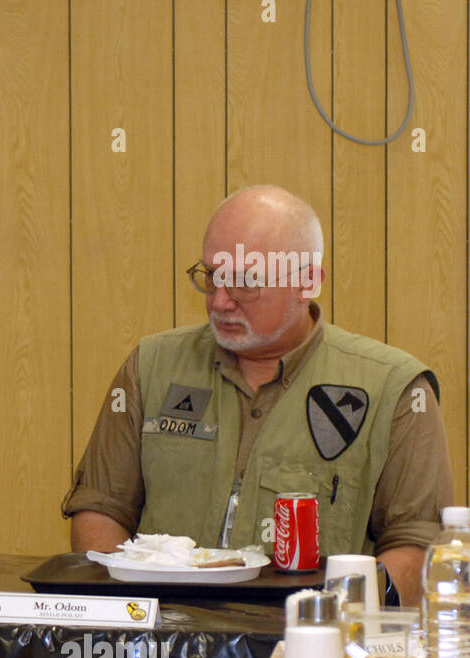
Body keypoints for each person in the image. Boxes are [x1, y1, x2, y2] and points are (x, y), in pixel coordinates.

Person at [62, 185, 453, 604]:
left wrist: (321, 627)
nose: (221, 301)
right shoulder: (152, 367)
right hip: (165, 646)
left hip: (309, 650)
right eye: (212, 277)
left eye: (246, 281)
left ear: (309, 281)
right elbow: (100, 511)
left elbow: (418, 546)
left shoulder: (392, 389)